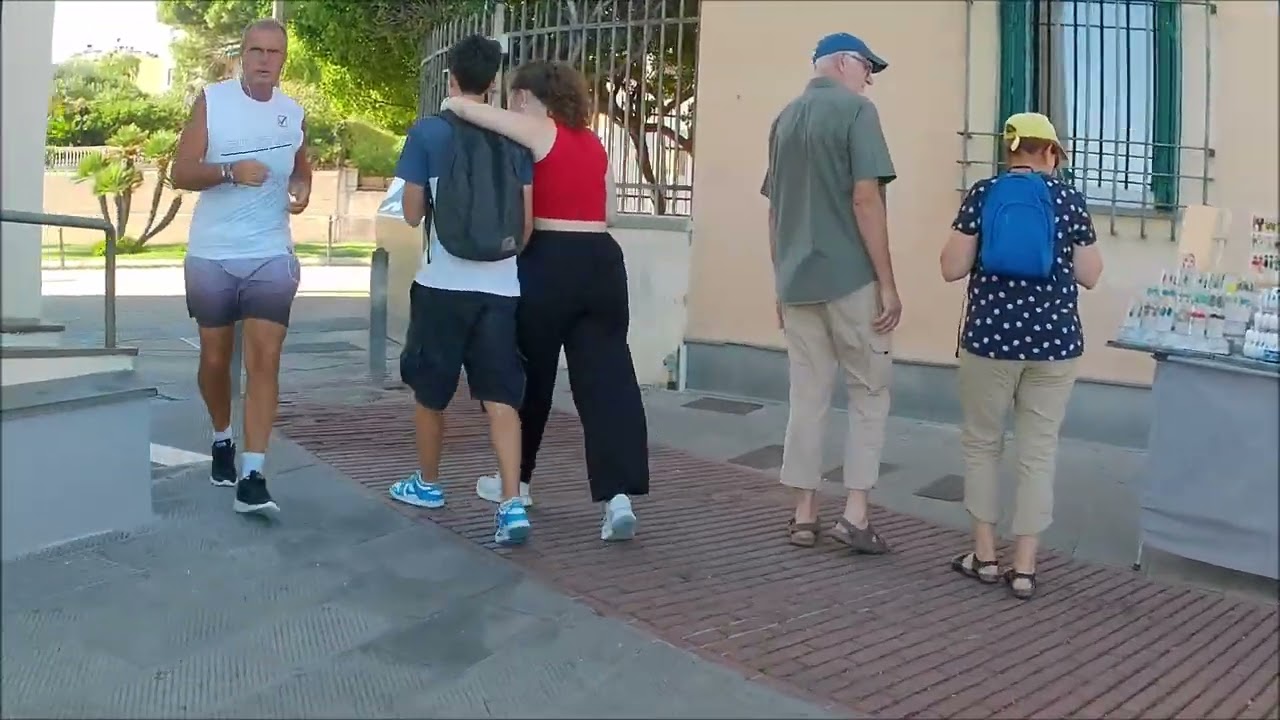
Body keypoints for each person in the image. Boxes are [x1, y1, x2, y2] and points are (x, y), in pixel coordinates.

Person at [443, 60, 650, 542]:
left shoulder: (541, 130)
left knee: (527, 376)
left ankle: (518, 482)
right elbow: (610, 212)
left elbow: (475, 113)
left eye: (517, 98)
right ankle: (617, 498)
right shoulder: (594, 144)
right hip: (602, 260)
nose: (514, 106)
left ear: (529, 98)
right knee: (608, 381)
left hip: (550, 257)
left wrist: (456, 97)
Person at [940, 112, 1103, 600]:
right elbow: (1091, 274)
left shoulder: (983, 194)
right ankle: (1026, 566)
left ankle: (985, 556)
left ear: (1008, 150)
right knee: (1038, 451)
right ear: (1050, 152)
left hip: (989, 341)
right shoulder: (1068, 199)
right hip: (1054, 345)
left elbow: (951, 267)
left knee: (982, 445)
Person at [388, 34, 536, 547]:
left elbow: (411, 213)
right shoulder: (514, 136)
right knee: (501, 396)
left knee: (431, 392)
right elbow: (527, 224)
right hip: (501, 287)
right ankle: (511, 503)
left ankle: (428, 484)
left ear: (450, 77)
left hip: (441, 284)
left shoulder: (428, 132)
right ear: (493, 82)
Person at [760, 33, 901, 553]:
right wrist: (888, 283)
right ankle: (855, 514)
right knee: (869, 392)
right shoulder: (858, 113)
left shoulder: (784, 119)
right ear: (844, 63)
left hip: (797, 281)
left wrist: (780, 282)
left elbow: (775, 212)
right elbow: (866, 199)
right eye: (868, 68)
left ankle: (804, 514)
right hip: (851, 279)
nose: (870, 80)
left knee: (807, 396)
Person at [170, 18, 309, 514]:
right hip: (213, 253)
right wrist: (229, 172)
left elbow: (301, 166)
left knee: (265, 360)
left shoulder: (293, 113)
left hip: (270, 251)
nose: (265, 60)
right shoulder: (213, 101)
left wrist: (301, 190)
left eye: (274, 52)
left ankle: (253, 475)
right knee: (215, 360)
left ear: (283, 60)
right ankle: (222, 436)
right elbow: (179, 172)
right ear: (242, 56)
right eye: (256, 51)